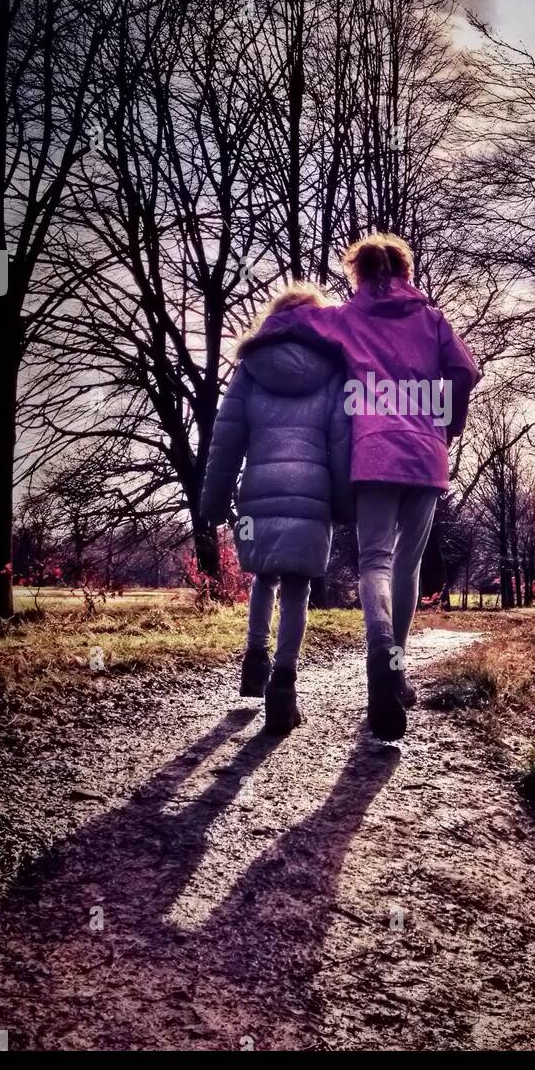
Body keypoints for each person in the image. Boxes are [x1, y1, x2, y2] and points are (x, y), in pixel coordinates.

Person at [257, 233, 480, 741]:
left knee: (375, 561)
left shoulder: (346, 318)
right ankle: (394, 670)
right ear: (406, 271)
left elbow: (281, 321)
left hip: (374, 451)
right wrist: (449, 423)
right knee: (408, 563)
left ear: (357, 274)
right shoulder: (432, 318)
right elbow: (464, 371)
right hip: (425, 452)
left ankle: (381, 655)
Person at [199, 284, 351, 736]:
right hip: (313, 491)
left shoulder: (250, 367)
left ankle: (254, 659)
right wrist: (343, 503)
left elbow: (226, 439)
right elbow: (341, 443)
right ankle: (283, 684)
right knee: (298, 587)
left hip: (258, 490)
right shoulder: (333, 369)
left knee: (263, 576)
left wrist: (212, 498)